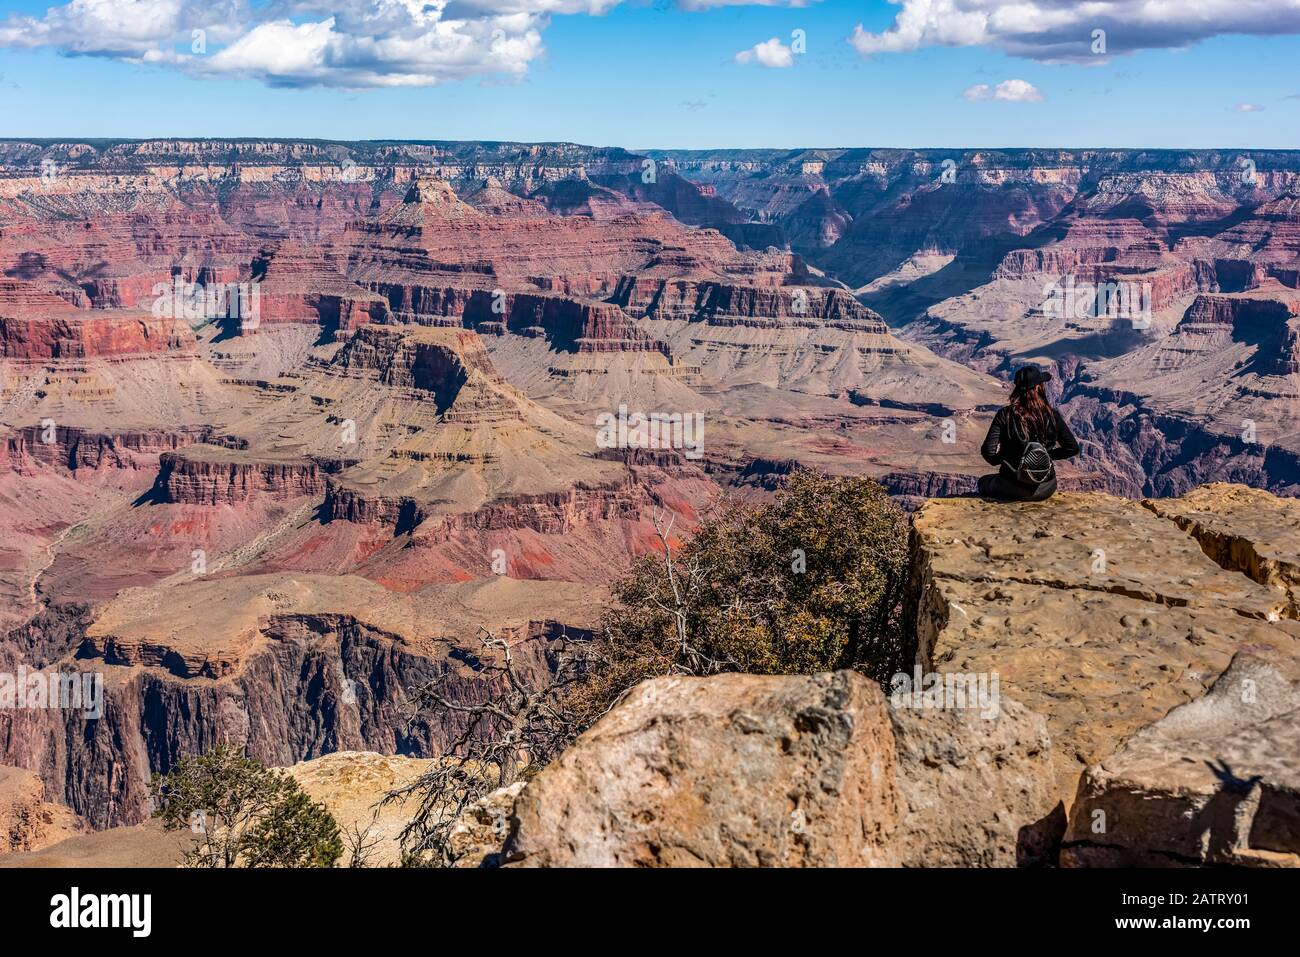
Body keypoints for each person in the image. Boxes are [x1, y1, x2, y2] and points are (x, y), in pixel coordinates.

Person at [977, 364, 1080, 502]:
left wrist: (1006, 458)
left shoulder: (1005, 415)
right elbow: (1072, 448)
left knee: (983, 482)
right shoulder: (1052, 415)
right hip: (1046, 487)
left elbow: (988, 452)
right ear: (1038, 387)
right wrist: (1045, 456)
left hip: (1013, 486)